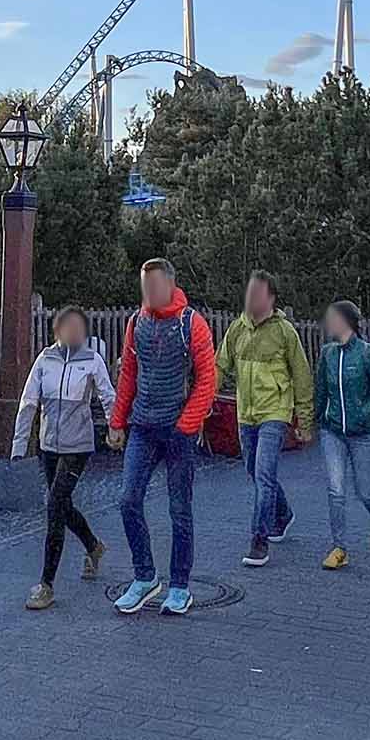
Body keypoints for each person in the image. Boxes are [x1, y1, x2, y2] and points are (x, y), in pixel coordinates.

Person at [109, 258, 218, 615]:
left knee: (179, 510)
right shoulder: (136, 323)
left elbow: (207, 378)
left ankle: (180, 586)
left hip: (178, 431)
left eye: (155, 285)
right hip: (142, 426)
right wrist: (117, 421)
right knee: (127, 500)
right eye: (145, 286)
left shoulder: (192, 325)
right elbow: (129, 375)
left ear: (170, 284)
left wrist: (188, 423)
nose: (150, 293)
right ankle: (144, 577)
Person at [11, 305, 112, 610]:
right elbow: (29, 402)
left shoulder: (92, 361)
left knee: (54, 506)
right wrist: (20, 444)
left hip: (78, 446)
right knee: (62, 505)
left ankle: (46, 584)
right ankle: (93, 546)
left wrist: (115, 428)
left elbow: (108, 395)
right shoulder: (45, 360)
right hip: (48, 446)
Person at [221, 270, 312, 569]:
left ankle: (259, 541)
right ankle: (283, 514)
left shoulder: (285, 332)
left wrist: (305, 421)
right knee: (256, 471)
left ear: (270, 298)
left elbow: (302, 375)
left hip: (275, 412)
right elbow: (220, 365)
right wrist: (202, 399)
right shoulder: (237, 329)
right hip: (245, 413)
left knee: (263, 474)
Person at [311, 300, 370, 568]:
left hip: (364, 434)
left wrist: (361, 415)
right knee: (336, 490)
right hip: (333, 432)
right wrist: (315, 420)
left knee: (365, 491)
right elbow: (321, 390)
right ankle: (339, 548)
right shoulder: (328, 354)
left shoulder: (368, 354)